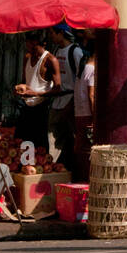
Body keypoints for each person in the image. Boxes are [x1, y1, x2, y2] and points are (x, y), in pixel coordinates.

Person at [14, 31, 60, 151]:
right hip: (26, 106)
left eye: (34, 48)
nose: (31, 51)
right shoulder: (27, 57)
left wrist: (35, 93)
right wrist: (20, 88)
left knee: (40, 145)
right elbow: (24, 80)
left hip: (42, 107)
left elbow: (57, 89)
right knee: (23, 143)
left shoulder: (50, 60)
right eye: (28, 47)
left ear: (43, 44)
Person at [48, 23, 83, 170]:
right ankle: (54, 170)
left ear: (61, 33)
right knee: (53, 141)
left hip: (70, 102)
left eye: (53, 33)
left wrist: (72, 104)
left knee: (74, 141)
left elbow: (80, 80)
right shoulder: (57, 51)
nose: (51, 36)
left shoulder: (75, 52)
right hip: (57, 102)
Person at [72, 38, 95, 183]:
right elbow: (91, 95)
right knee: (87, 148)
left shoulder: (83, 67)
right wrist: (95, 117)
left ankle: (78, 177)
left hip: (79, 112)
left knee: (79, 146)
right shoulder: (92, 69)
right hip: (87, 113)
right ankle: (85, 179)